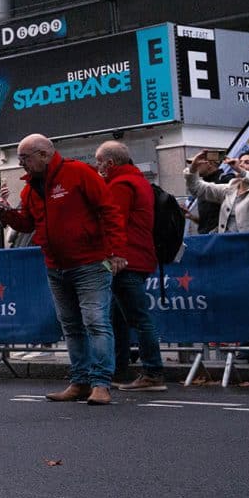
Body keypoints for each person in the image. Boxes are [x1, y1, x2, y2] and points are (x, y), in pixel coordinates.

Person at [0, 135, 125, 406]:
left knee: (95, 322)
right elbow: (27, 224)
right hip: (57, 265)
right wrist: (5, 213)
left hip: (89, 262)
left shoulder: (78, 173)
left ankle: (101, 383)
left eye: (25, 158)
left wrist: (115, 251)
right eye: (20, 159)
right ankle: (80, 381)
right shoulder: (30, 188)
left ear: (44, 154)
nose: (22, 165)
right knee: (71, 326)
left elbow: (109, 210)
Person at [93, 142, 166, 392]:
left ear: (110, 163)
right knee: (119, 317)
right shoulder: (138, 181)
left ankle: (152, 372)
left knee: (137, 318)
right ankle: (120, 369)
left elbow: (115, 222)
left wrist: (112, 256)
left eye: (99, 161)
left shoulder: (120, 185)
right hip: (138, 257)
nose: (96, 166)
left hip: (125, 260)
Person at [186, 150, 249, 234]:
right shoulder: (230, 189)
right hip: (228, 244)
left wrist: (241, 171)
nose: (241, 165)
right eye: (240, 162)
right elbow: (197, 188)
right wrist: (193, 167)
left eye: (247, 162)